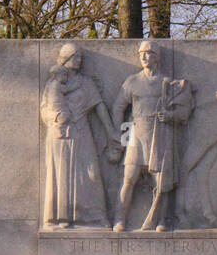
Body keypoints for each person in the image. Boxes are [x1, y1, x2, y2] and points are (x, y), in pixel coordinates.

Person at [110, 40, 194, 232]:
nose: (144, 57)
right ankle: (119, 219)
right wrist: (121, 136)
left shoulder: (168, 83)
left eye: (148, 53)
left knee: (161, 181)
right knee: (129, 178)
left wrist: (171, 116)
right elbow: (118, 108)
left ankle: (162, 220)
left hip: (161, 134)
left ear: (156, 57)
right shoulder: (132, 81)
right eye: (141, 54)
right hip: (136, 133)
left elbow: (184, 111)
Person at [40, 43, 119, 229]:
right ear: (65, 59)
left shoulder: (86, 82)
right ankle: (60, 217)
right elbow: (44, 109)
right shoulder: (53, 84)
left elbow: (100, 107)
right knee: (61, 175)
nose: (78, 61)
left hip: (82, 131)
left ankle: (95, 217)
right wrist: (56, 117)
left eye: (80, 58)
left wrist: (111, 133)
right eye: (74, 57)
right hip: (59, 134)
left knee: (91, 174)